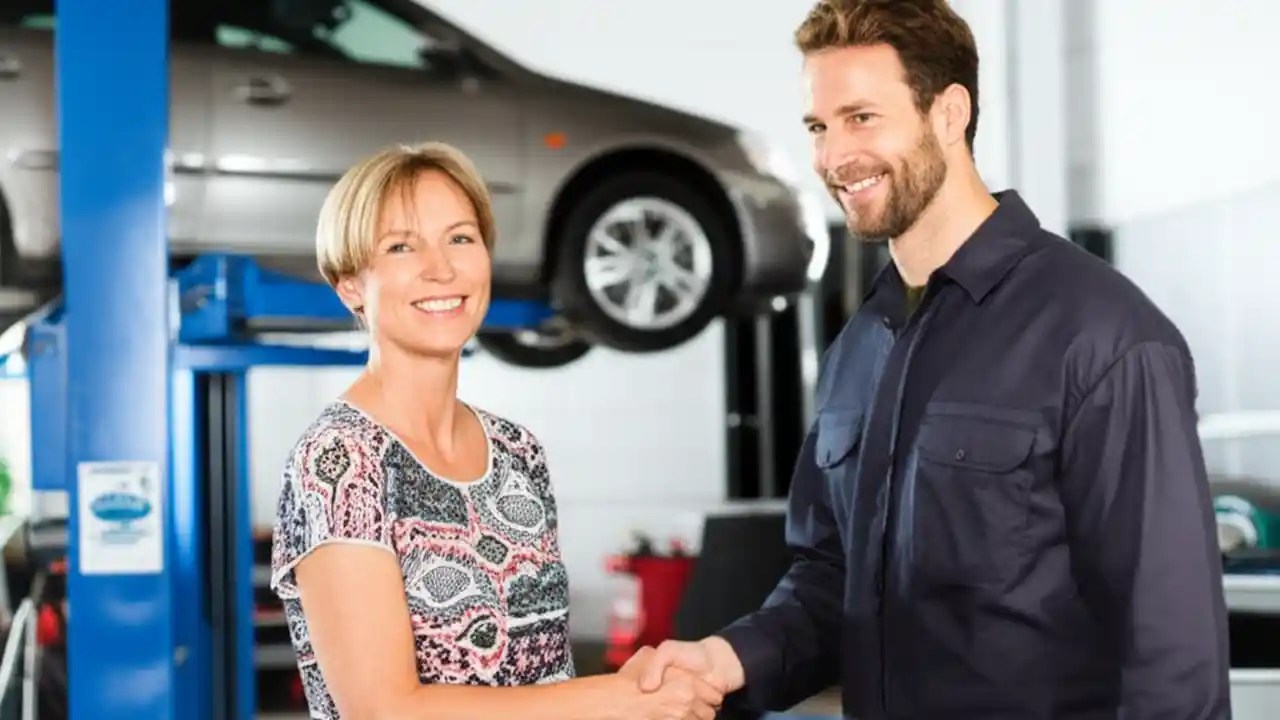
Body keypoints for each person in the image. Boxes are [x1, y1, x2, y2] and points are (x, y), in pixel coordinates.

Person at [631, 1, 1233, 718]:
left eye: (862, 118)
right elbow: (835, 582)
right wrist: (725, 658)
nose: (832, 157)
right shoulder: (861, 347)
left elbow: (1173, 657)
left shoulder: (1103, 336)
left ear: (949, 113)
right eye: (819, 127)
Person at [268, 140, 723, 720]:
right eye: (402, 246)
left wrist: (634, 688)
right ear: (350, 284)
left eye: (461, 238)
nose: (442, 268)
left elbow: (542, 681)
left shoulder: (517, 452)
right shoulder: (339, 461)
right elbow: (384, 710)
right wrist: (612, 699)